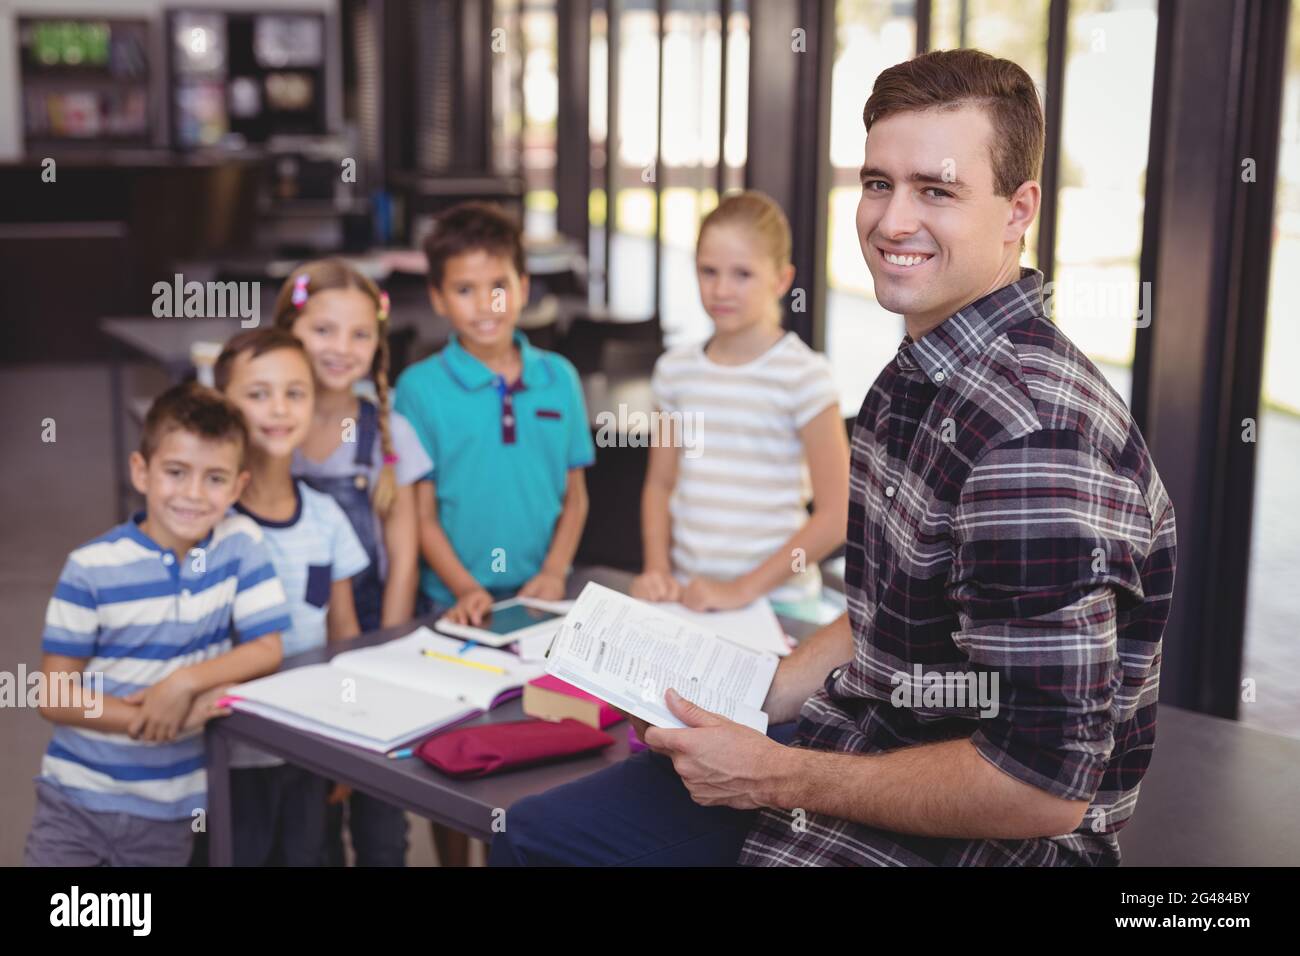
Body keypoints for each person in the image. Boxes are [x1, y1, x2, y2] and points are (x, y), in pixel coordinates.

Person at [489, 48, 1176, 867]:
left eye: (938, 189)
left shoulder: (1032, 445)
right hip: (865, 737)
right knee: (534, 833)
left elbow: (1040, 786)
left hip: (986, 844)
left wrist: (775, 774)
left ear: (1019, 208)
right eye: (879, 183)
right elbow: (886, 612)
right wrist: (754, 692)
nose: (891, 221)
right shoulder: (914, 375)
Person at [394, 200, 595, 866]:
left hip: (542, 607)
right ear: (437, 298)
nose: (487, 304)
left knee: (538, 751)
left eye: (499, 285)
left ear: (525, 286)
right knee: (450, 755)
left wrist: (555, 571)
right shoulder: (418, 390)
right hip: (452, 607)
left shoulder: (557, 378)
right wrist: (464, 586)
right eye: (464, 289)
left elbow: (575, 496)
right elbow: (417, 513)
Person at [24, 383, 288, 866]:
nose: (192, 494)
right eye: (175, 472)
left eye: (214, 478)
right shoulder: (91, 567)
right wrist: (158, 720)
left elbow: (267, 648)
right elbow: (53, 694)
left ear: (238, 486)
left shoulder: (239, 545)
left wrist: (182, 682)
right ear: (141, 472)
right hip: (76, 799)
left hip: (172, 810)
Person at [275, 259, 433, 866]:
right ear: (291, 327)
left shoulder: (388, 432)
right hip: (289, 643)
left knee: (380, 826)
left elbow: (404, 557)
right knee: (305, 822)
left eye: (360, 334)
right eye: (323, 330)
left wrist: (380, 655)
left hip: (373, 640)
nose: (341, 348)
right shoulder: (268, 421)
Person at [630, 190, 849, 613]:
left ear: (781, 280)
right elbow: (660, 484)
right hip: (689, 598)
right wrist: (657, 569)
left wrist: (742, 589)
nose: (721, 289)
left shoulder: (805, 376)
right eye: (708, 271)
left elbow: (837, 513)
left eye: (742, 274)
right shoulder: (675, 372)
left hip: (779, 604)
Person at [215, 328, 370, 866]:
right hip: (225, 757)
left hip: (309, 748)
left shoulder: (327, 519)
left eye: (295, 393)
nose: (278, 409)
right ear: (223, 406)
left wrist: (346, 747)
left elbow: (342, 635)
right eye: (257, 394)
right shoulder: (209, 526)